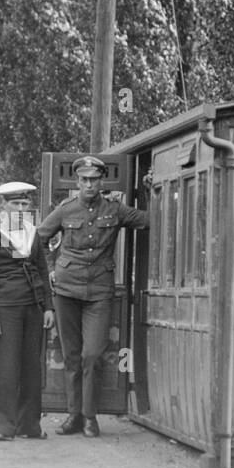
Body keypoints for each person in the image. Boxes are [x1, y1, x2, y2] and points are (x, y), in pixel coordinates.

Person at [36, 155, 148, 437]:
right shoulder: (65, 210)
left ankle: (90, 416)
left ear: (101, 182)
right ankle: (75, 416)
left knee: (92, 354)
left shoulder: (115, 210)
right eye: (84, 180)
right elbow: (37, 240)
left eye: (94, 180)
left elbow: (146, 220)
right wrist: (50, 268)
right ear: (77, 182)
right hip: (66, 291)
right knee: (72, 355)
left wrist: (149, 188)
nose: (89, 184)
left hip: (99, 292)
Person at [0, 182, 53, 440]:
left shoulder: (33, 233)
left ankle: (28, 425)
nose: (20, 208)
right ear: (3, 205)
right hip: (4, 309)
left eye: (24, 204)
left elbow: (42, 271)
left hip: (32, 307)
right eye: (15, 204)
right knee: (3, 368)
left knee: (31, 367)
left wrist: (48, 307)